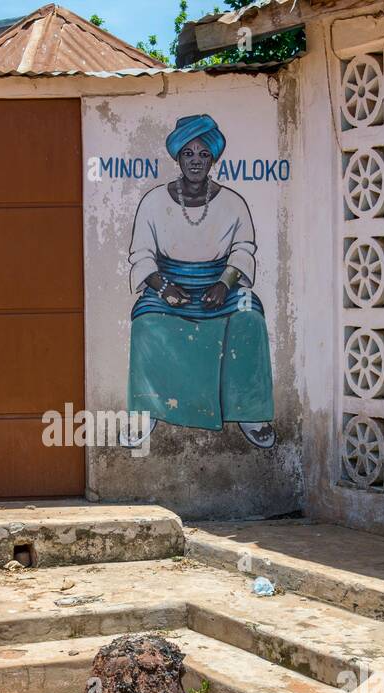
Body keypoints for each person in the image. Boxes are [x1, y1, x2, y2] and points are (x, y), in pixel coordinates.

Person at [124, 114, 276, 450]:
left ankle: (250, 412)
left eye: (203, 154)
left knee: (250, 318)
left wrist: (224, 284)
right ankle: (145, 410)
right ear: (178, 157)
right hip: (166, 284)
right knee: (146, 323)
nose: (195, 161)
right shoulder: (153, 202)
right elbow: (141, 256)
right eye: (188, 153)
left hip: (220, 284)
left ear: (213, 158)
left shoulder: (233, 202)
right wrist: (162, 287)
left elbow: (243, 249)